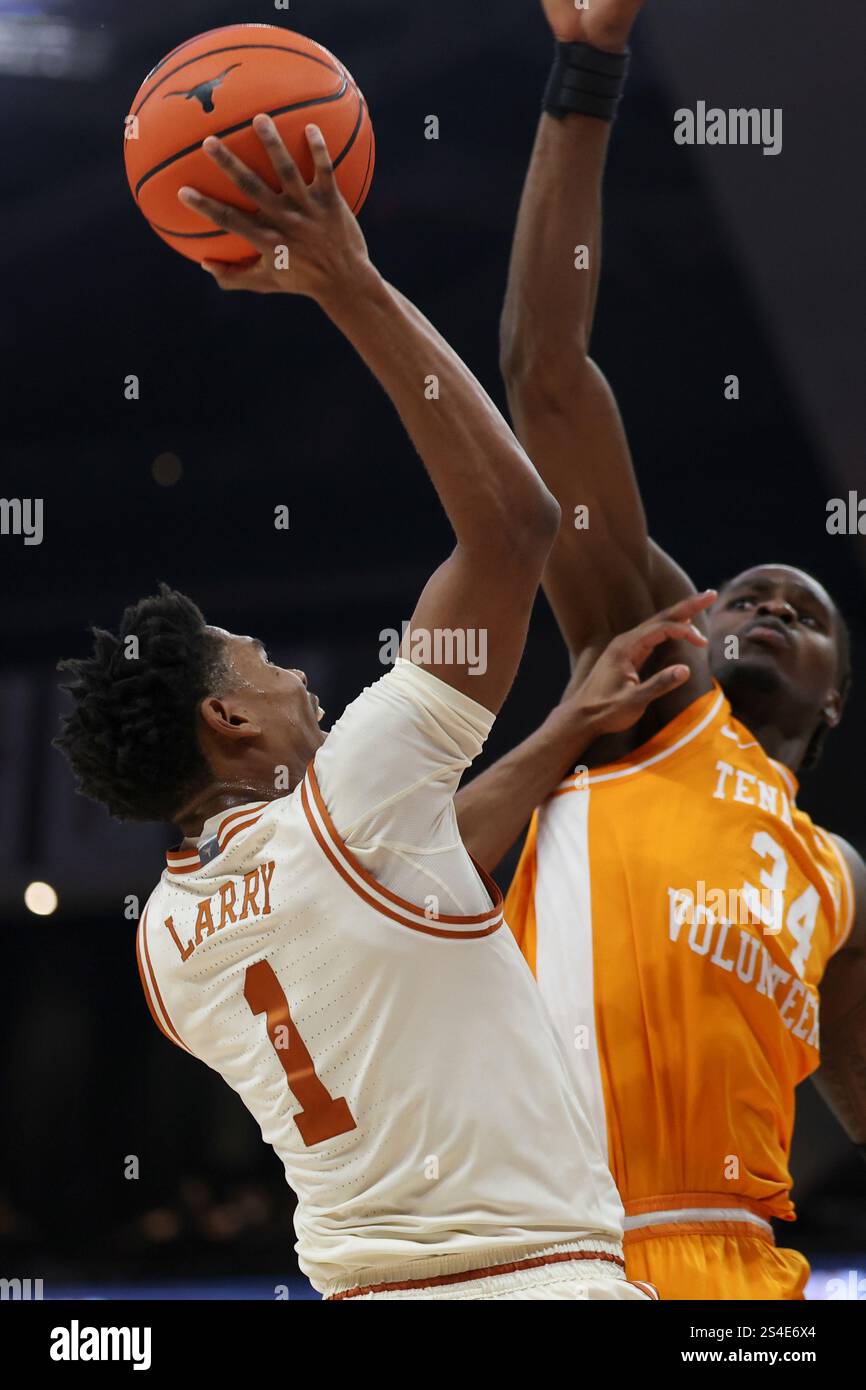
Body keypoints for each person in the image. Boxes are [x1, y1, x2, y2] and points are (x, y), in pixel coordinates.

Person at [55, 116, 698, 1301]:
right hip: (529, 1279)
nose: (301, 678)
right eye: (262, 663)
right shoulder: (355, 796)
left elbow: (413, 873)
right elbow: (516, 525)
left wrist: (557, 733)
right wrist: (346, 281)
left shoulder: (165, 950)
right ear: (228, 724)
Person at [455, 0, 866, 1300]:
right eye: (742, 592)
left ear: (835, 698)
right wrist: (588, 70)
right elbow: (544, 372)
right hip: (553, 1245)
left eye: (800, 609)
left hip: (741, 1274)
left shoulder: (839, 878)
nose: (762, 604)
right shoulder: (647, 697)